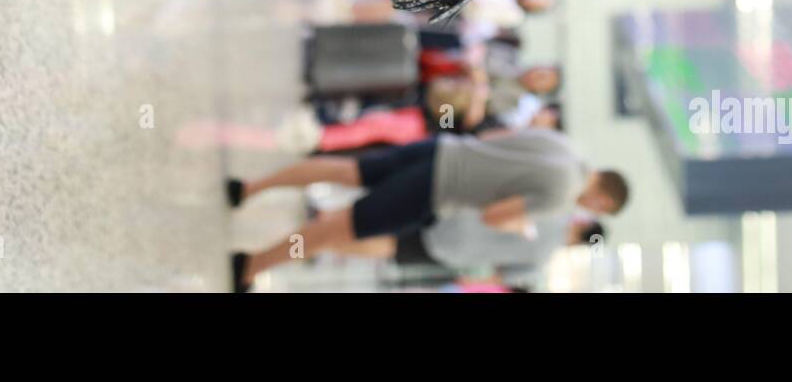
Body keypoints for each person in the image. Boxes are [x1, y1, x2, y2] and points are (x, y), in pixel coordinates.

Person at [224, 127, 626, 291]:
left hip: (440, 149)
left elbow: (492, 134)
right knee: (340, 229)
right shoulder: (559, 197)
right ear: (602, 201)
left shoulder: (563, 144)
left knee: (346, 170)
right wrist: (520, 222)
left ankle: (249, 189)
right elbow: (493, 217)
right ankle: (251, 266)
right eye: (600, 209)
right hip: (437, 190)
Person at [332, 210, 603, 276]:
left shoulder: (549, 211)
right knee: (392, 248)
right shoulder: (542, 261)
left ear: (582, 224)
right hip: (456, 251)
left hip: (461, 217)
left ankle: (326, 225)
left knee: (391, 220)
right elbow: (498, 275)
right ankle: (329, 244)